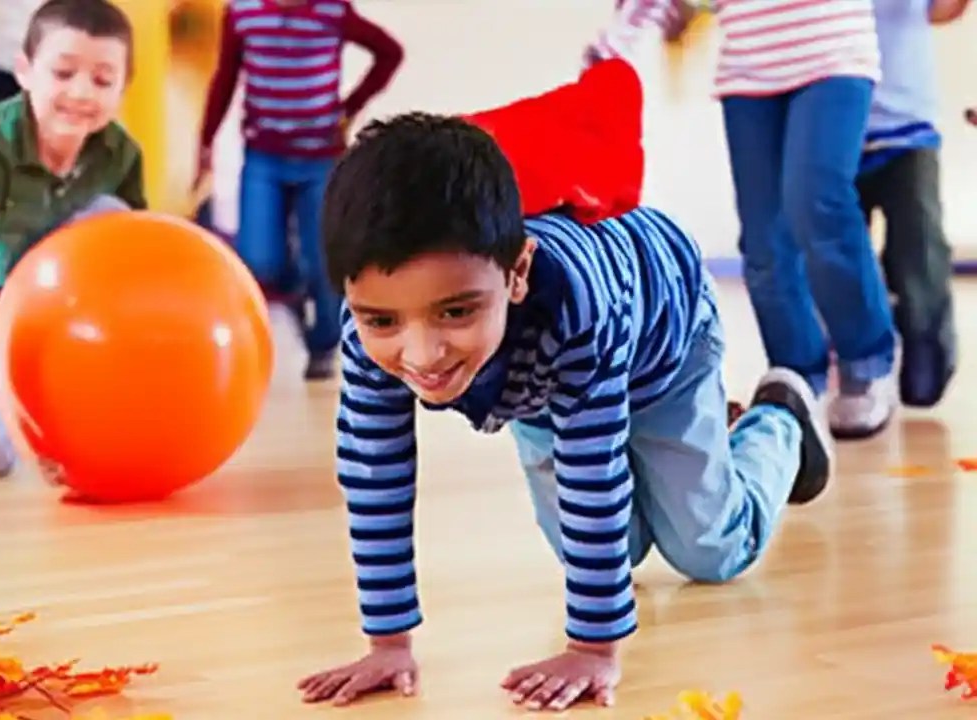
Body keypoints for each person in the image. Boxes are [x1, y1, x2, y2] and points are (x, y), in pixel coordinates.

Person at [297, 60, 834, 712]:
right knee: (621, 550)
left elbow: (593, 470)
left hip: (662, 344)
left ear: (516, 273)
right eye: (382, 319)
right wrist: (388, 642)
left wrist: (593, 649)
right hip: (541, 380)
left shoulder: (573, 307)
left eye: (456, 311)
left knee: (710, 549)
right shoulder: (367, 342)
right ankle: (700, 448)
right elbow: (373, 473)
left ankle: (778, 419)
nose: (421, 353)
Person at [588, 0, 899, 440]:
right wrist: (616, 44)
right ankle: (796, 375)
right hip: (750, 70)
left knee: (817, 202)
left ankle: (866, 360)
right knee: (764, 242)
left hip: (833, 52)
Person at [0, 0, 146, 481]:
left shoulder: (120, 154)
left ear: (122, 90)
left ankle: (66, 399)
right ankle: (32, 407)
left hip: (47, 297)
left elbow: (130, 261)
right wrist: (7, 388)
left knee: (115, 216)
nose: (80, 92)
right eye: (62, 72)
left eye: (102, 80)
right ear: (24, 71)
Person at [195, 0, 404, 380]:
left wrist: (350, 106)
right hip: (263, 159)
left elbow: (389, 53)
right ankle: (292, 290)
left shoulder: (332, 11)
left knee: (324, 261)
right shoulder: (243, 12)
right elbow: (226, 77)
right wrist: (206, 143)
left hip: (320, 160)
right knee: (259, 260)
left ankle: (323, 343)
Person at [857, 0, 969, 407]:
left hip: (908, 129)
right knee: (838, 258)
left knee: (919, 249)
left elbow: (945, 9)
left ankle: (929, 356)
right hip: (833, 130)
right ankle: (860, 366)